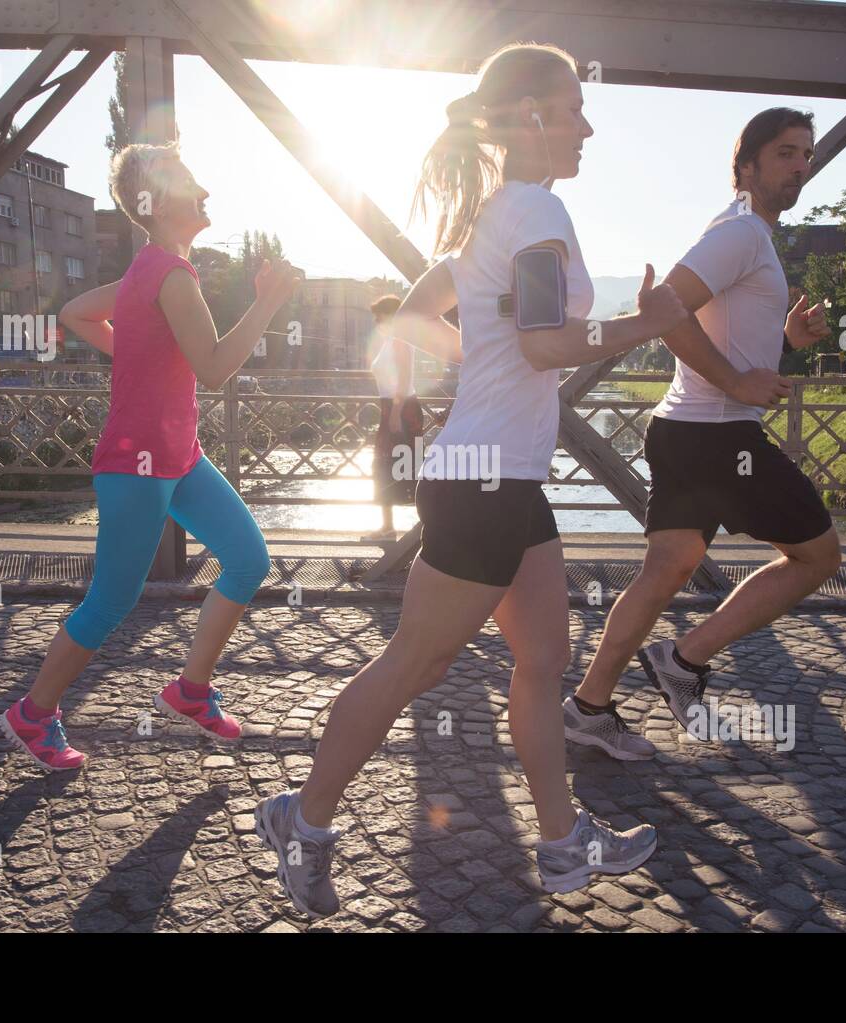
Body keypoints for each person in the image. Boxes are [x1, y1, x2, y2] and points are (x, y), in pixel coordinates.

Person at [254, 42, 690, 918]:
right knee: (416, 659)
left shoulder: (496, 213)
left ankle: (566, 845)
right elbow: (545, 346)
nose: (587, 125)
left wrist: (482, 352)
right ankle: (300, 819)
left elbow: (420, 314)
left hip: (499, 478)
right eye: (573, 108)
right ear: (531, 117)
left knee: (543, 658)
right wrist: (645, 322)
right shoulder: (533, 212)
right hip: (484, 480)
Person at [0, 141, 299, 770]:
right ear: (158, 202)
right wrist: (269, 302)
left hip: (178, 457)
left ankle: (190, 691)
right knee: (112, 600)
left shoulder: (146, 270)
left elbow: (75, 313)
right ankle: (33, 715)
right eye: (192, 181)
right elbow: (214, 368)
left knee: (248, 558)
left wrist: (138, 357)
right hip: (136, 464)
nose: (207, 192)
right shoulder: (171, 274)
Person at [564, 108, 838, 760]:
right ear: (746, 165)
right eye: (784, 153)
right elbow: (663, 310)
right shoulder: (742, 231)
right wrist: (738, 383)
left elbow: (721, 330)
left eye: (806, 153)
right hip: (719, 436)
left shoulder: (747, 235)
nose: (800, 165)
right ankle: (684, 660)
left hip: (686, 430)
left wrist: (784, 341)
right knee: (819, 556)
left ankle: (588, 705)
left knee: (664, 572)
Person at [362, 294, 423, 542]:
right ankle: (388, 528)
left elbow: (405, 378)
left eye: (380, 315)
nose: (376, 320)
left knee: (407, 467)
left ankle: (425, 527)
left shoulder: (400, 340)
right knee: (384, 466)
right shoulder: (390, 340)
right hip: (391, 408)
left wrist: (396, 413)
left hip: (402, 409)